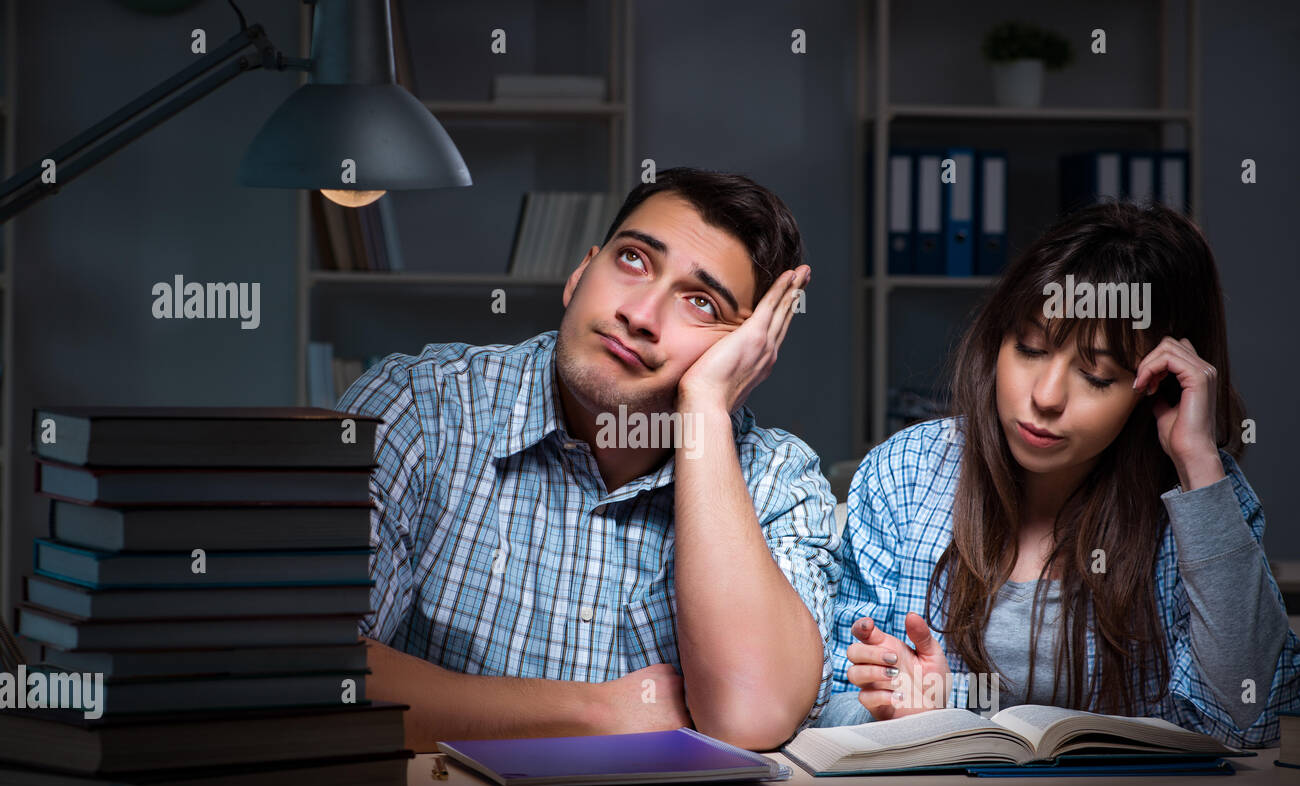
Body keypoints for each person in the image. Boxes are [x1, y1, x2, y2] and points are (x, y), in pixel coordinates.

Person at [337, 168, 841, 752]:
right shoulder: (420, 405)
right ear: (582, 271)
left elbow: (751, 713)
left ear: (748, 350)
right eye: (633, 261)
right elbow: (314, 673)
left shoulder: (778, 477)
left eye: (700, 303)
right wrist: (594, 714)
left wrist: (704, 407)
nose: (642, 315)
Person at [822, 201, 1298, 748]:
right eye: (1028, 348)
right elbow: (827, 707)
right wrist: (903, 716)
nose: (1045, 398)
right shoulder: (906, 472)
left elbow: (1245, 720)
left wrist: (1197, 461)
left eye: (1097, 376)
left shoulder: (1204, 494)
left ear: (1156, 389)